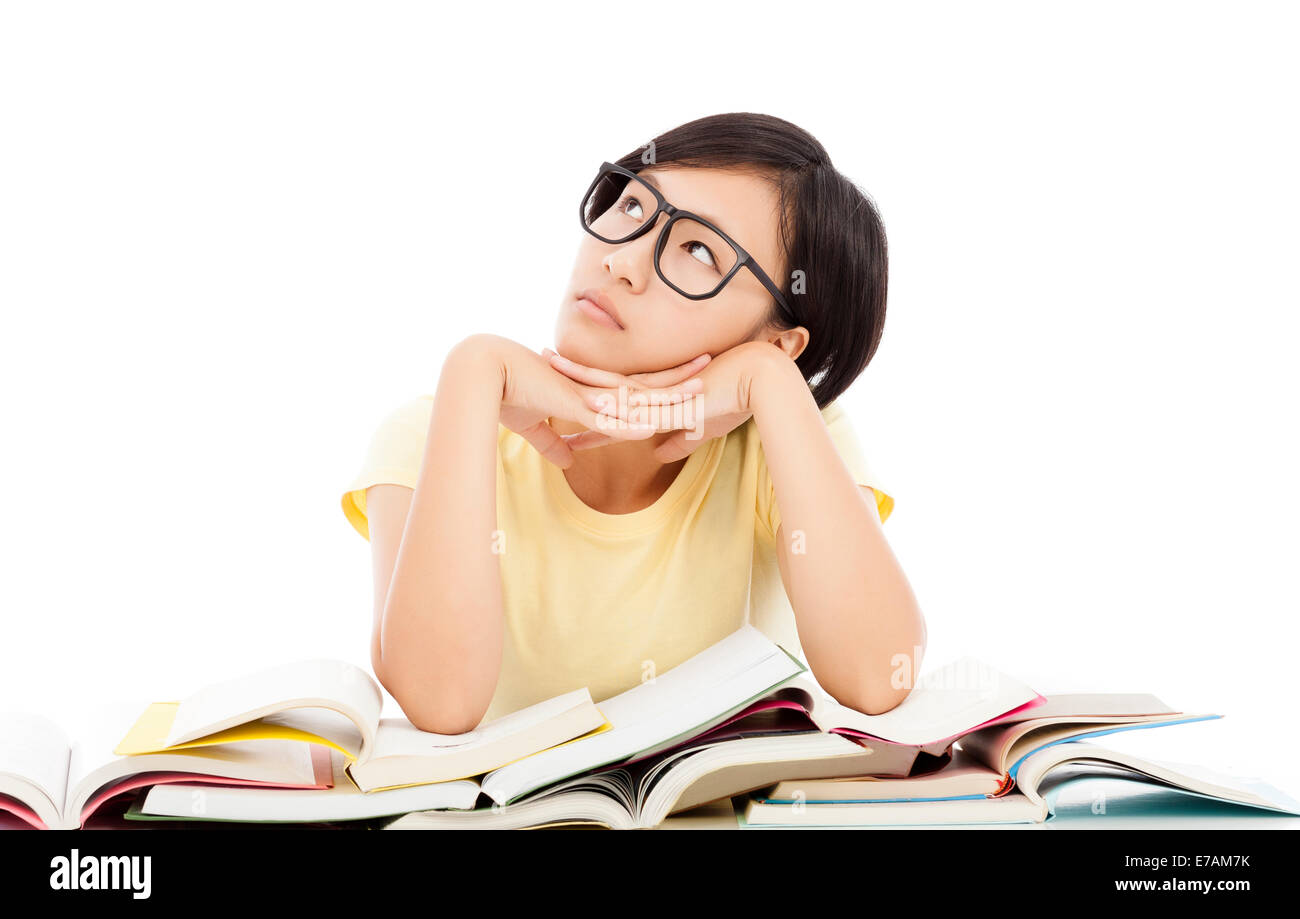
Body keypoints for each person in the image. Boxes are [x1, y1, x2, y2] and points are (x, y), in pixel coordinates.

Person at [340, 112, 926, 734]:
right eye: (634, 208)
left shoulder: (791, 437)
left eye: (700, 250)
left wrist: (773, 384)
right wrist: (474, 371)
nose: (622, 261)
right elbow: (440, 702)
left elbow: (878, 675)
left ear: (780, 341)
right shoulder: (437, 430)